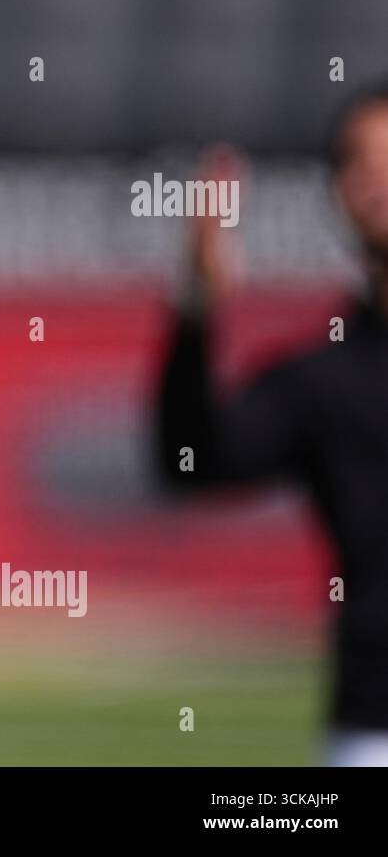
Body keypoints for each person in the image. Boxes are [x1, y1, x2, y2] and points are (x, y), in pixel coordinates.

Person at [153, 87, 388, 766]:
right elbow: (191, 460)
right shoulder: (322, 378)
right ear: (336, 192)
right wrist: (197, 307)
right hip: (372, 726)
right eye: (358, 161)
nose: (376, 178)